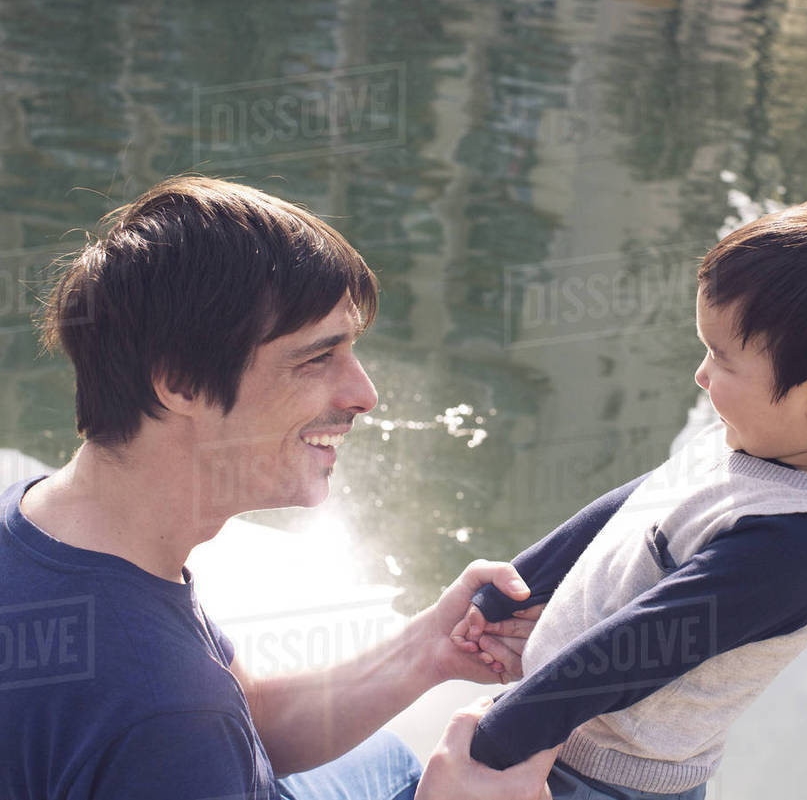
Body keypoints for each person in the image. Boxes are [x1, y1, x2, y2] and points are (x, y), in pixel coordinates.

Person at [0, 176, 556, 800]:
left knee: (387, 756)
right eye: (318, 358)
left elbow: (250, 715)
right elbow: (201, 724)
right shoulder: (173, 717)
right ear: (177, 382)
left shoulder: (45, 523)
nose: (364, 396)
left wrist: (428, 649)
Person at [451, 192, 807, 799]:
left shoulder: (795, 543)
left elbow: (630, 652)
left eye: (720, 357)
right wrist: (517, 589)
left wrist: (491, 745)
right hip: (549, 722)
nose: (701, 374)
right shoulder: (760, 441)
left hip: (595, 777)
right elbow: (634, 505)